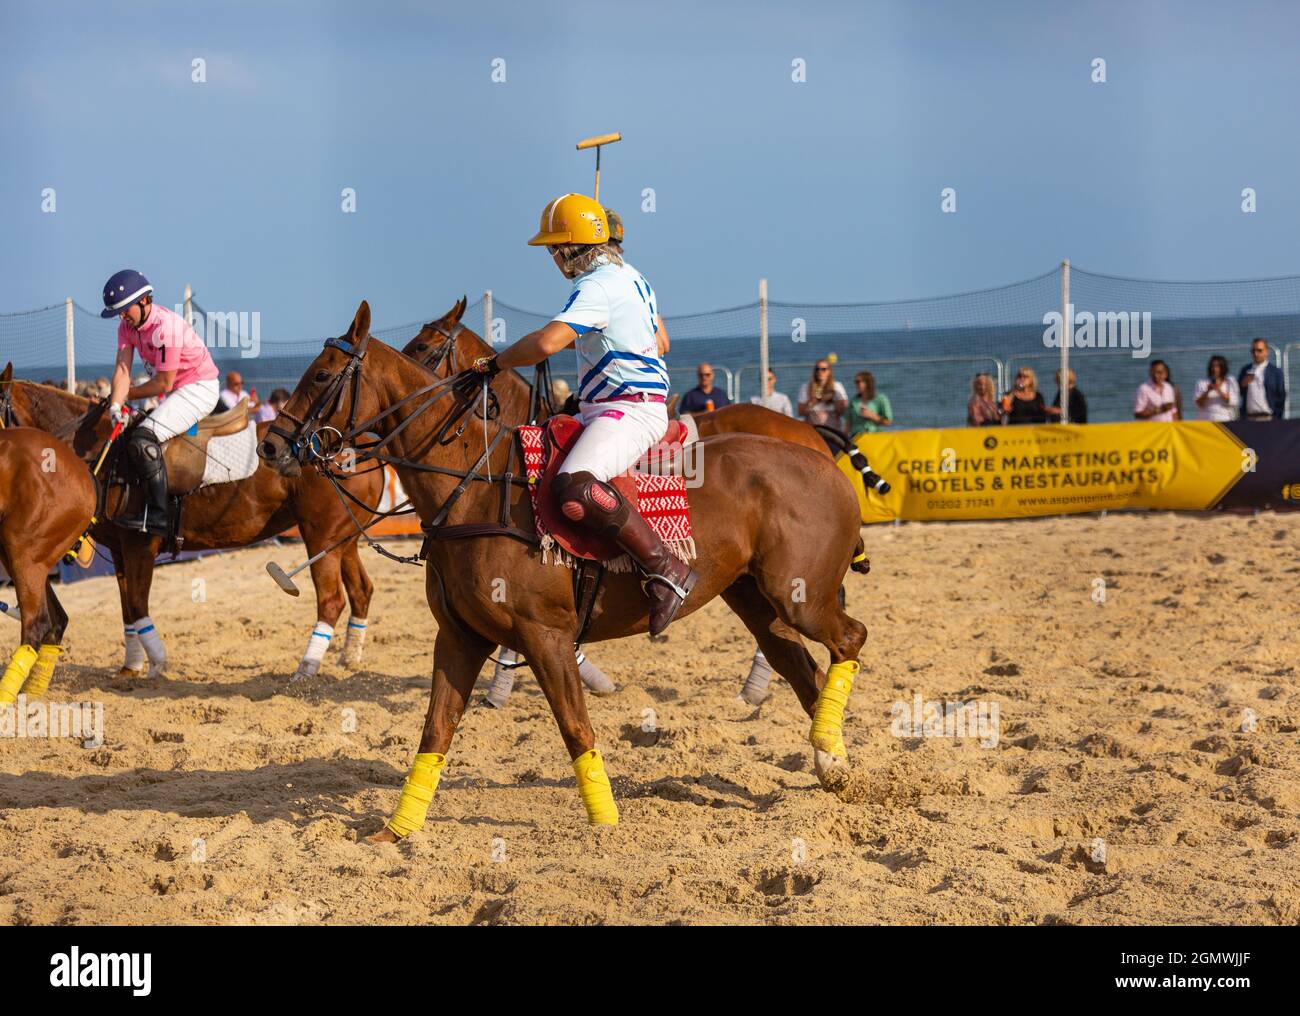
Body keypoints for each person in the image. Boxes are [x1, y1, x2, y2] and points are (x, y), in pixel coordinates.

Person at [468, 193, 695, 635]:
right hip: (615, 405)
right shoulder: (632, 276)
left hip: (628, 410)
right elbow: (661, 341)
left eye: (553, 249)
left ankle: (666, 568)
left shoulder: (595, 288)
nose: (552, 258)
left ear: (568, 250)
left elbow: (545, 344)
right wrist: (591, 337)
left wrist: (495, 363)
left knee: (573, 484)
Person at [102, 268, 220, 534]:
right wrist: (113, 405)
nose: (121, 317)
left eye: (124, 310)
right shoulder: (126, 326)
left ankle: (159, 516)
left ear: (144, 301)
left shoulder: (166, 328)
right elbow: (122, 370)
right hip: (175, 392)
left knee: (143, 438)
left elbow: (163, 384)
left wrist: (124, 396)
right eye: (117, 312)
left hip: (198, 389)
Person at [1238, 338, 1285, 421]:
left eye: (1259, 350)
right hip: (1248, 418)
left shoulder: (1275, 372)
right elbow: (1238, 393)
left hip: (1268, 417)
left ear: (1267, 352)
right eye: (1253, 351)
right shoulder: (1245, 370)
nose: (1256, 354)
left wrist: (1277, 417)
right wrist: (1243, 384)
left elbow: (1281, 396)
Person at [798, 359, 848, 428]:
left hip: (832, 426)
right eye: (817, 369)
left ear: (829, 371)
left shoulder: (837, 386)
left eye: (823, 369)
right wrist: (813, 401)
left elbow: (844, 410)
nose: (820, 372)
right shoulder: (805, 387)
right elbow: (800, 412)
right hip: (812, 425)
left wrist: (833, 399)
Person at [1192, 356, 1240, 422]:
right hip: (1206, 420)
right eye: (1212, 366)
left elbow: (1234, 401)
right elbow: (1198, 403)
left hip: (1225, 420)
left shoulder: (1230, 382)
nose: (1214, 369)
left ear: (1223, 368)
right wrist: (1207, 391)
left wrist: (1218, 390)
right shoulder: (1201, 383)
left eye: (1217, 366)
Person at [846, 371, 892, 437]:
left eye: (858, 382)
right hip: (856, 437)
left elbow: (888, 422)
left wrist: (872, 416)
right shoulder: (854, 401)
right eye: (855, 382)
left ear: (867, 383)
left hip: (874, 436)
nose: (856, 384)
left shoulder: (881, 399)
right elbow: (848, 423)